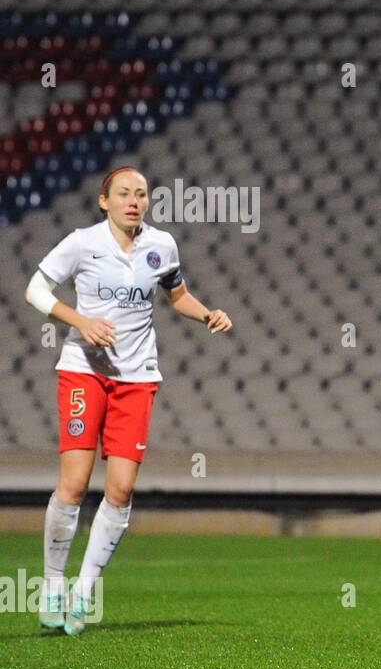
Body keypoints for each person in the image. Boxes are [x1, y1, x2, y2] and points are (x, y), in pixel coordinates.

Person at [23, 166, 233, 635]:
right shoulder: (82, 243)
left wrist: (208, 314)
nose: (134, 201)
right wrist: (79, 321)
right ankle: (53, 584)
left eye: (141, 194)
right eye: (124, 193)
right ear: (105, 201)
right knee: (74, 484)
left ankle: (84, 592)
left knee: (119, 490)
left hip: (137, 379)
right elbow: (35, 290)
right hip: (84, 372)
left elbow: (177, 296)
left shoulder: (161, 246)